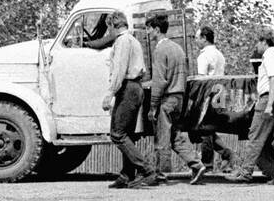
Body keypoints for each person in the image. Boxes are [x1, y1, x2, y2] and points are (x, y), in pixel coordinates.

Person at [146, 12, 206, 184]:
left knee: (162, 138)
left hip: (166, 99)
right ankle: (196, 164)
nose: (148, 33)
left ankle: (161, 175)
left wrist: (153, 106)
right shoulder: (178, 48)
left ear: (157, 30)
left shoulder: (160, 50)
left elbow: (159, 81)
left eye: (149, 29)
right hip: (179, 98)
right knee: (176, 136)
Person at [100, 11, 157, 189]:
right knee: (128, 134)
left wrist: (109, 93)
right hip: (136, 86)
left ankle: (146, 170)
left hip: (128, 87)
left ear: (113, 25)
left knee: (117, 134)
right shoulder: (133, 40)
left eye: (108, 28)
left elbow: (119, 69)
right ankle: (127, 175)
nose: (107, 32)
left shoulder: (122, 41)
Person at [229, 30, 274, 184]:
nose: (256, 45)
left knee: (255, 135)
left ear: (264, 42)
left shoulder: (269, 56)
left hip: (271, 98)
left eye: (258, 42)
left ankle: (246, 172)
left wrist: (269, 104)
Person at [191, 26, 236, 173]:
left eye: (197, 38)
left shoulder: (203, 56)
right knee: (210, 130)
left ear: (204, 38)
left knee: (203, 130)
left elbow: (201, 80)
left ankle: (207, 163)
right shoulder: (219, 54)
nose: (196, 41)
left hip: (207, 96)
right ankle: (226, 154)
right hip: (219, 96)